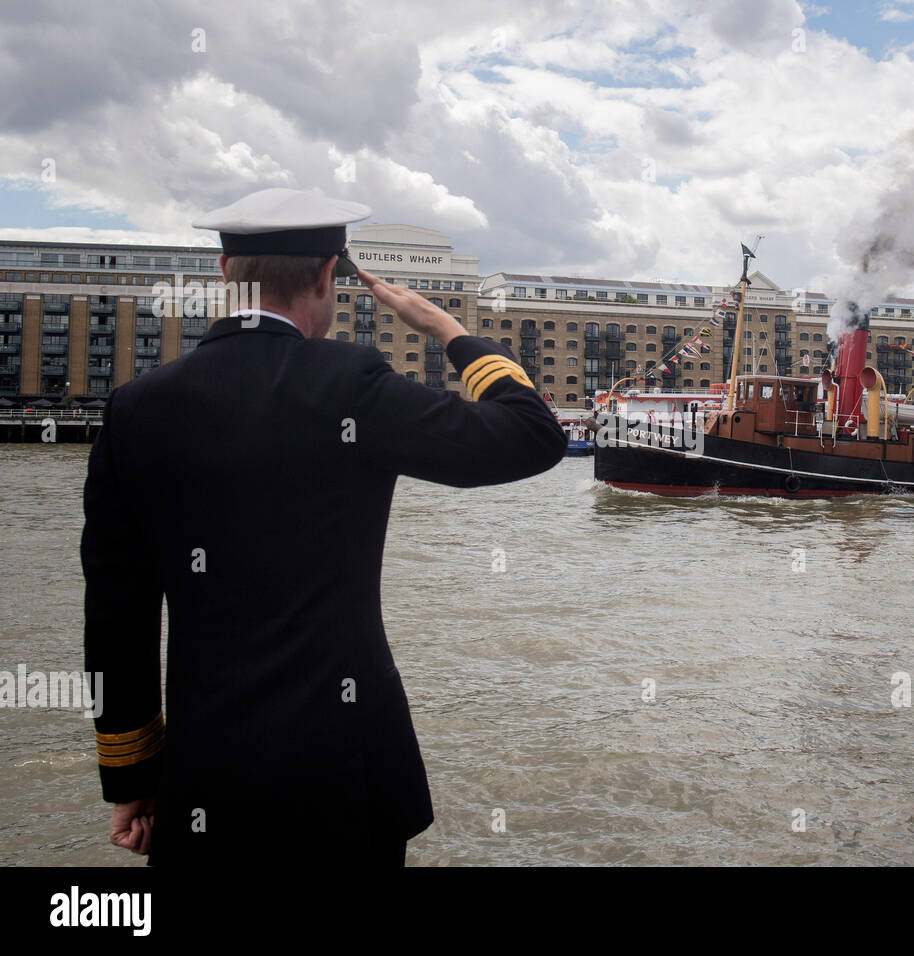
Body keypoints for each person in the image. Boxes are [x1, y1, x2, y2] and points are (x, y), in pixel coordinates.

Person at [81, 187, 567, 866]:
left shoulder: (134, 411)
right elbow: (530, 436)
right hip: (349, 775)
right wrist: (444, 328)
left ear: (225, 275)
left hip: (207, 779)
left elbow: (115, 621)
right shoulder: (352, 385)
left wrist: (131, 779)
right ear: (324, 277)